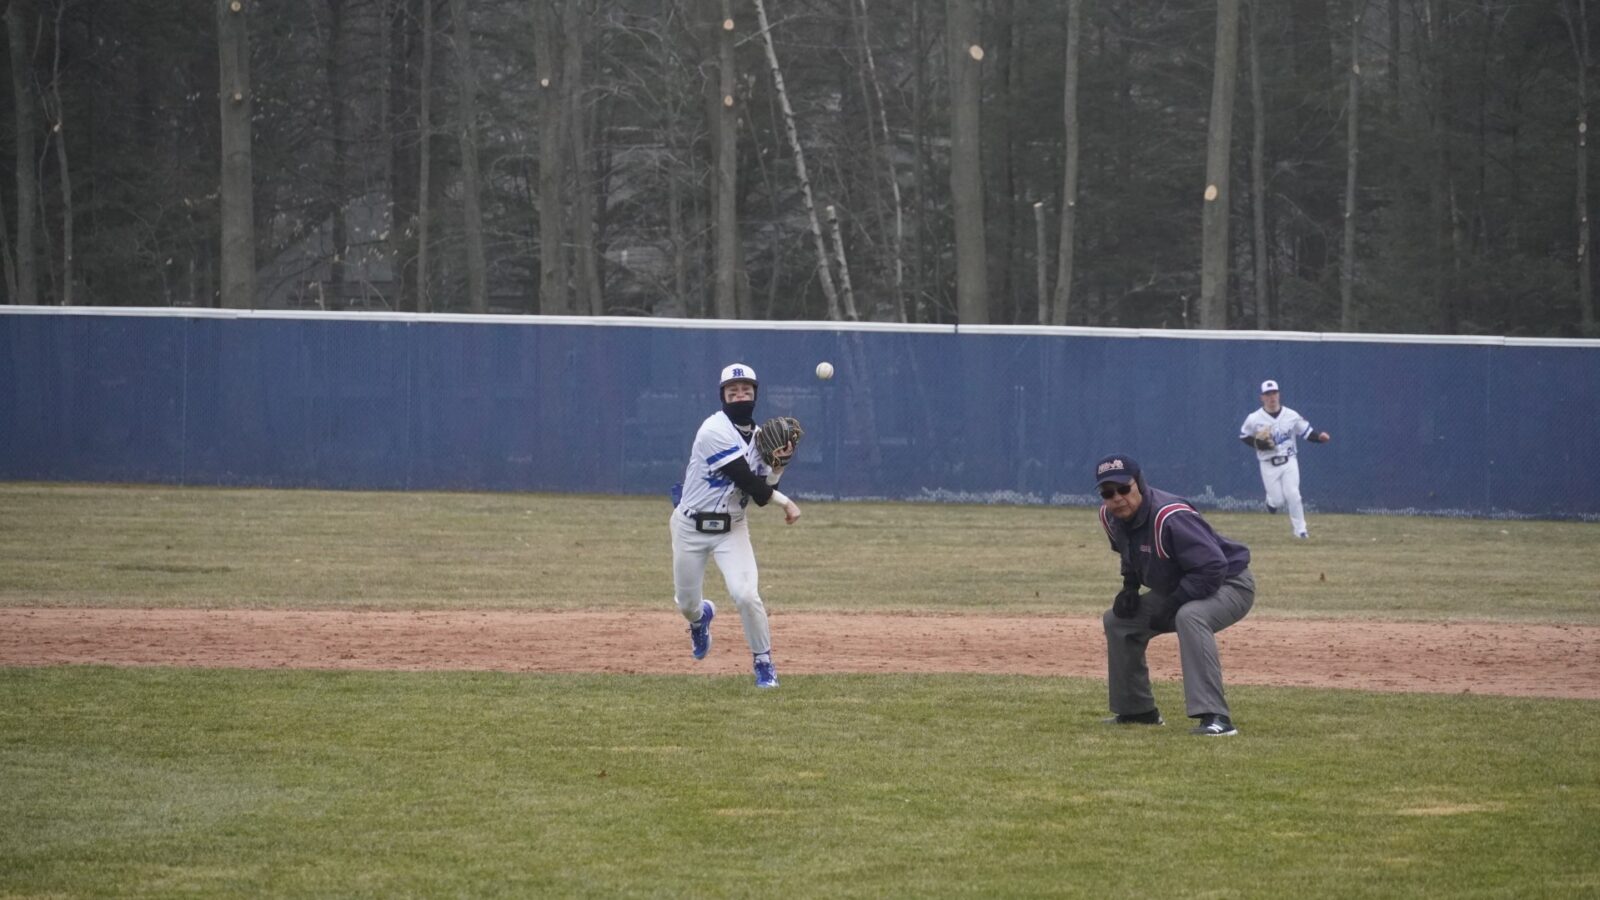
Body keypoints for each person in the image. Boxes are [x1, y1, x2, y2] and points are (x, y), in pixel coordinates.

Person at [1094, 454, 1255, 736]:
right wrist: (1130, 586)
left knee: (1190, 616)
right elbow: (1129, 552)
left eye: (1124, 488)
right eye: (1108, 493)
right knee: (1118, 622)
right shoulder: (1110, 517)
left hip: (1230, 583)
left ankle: (1216, 717)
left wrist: (1173, 604)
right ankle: (1138, 711)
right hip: (1183, 587)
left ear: (1139, 484)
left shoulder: (1170, 515)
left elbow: (1213, 567)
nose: (1117, 498)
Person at [670, 363, 801, 688]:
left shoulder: (760, 439)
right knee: (687, 605)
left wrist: (778, 467)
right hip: (690, 527)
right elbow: (745, 479)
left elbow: (761, 493)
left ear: (755, 394)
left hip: (732, 529)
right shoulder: (713, 430)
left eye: (745, 390)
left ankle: (764, 663)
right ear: (723, 396)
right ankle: (701, 619)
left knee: (746, 595)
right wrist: (786, 502)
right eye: (733, 391)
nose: (740, 395)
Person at [1238, 379, 1331, 539]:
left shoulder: (1291, 415)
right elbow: (1243, 436)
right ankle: (1271, 501)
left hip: (1289, 460)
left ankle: (1301, 530)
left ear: (1279, 394)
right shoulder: (1254, 418)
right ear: (1262, 397)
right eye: (1268, 394)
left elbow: (1307, 433)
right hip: (1268, 463)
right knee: (1278, 501)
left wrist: (1319, 438)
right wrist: (1258, 444)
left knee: (1294, 494)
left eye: (1274, 393)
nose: (1271, 397)